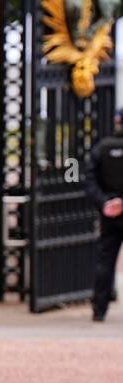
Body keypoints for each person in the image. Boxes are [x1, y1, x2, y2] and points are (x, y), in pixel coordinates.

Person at [84, 108, 123, 322]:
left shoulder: (102, 148)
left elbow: (89, 179)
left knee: (105, 261)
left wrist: (105, 202)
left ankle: (99, 308)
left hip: (110, 213)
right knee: (106, 260)